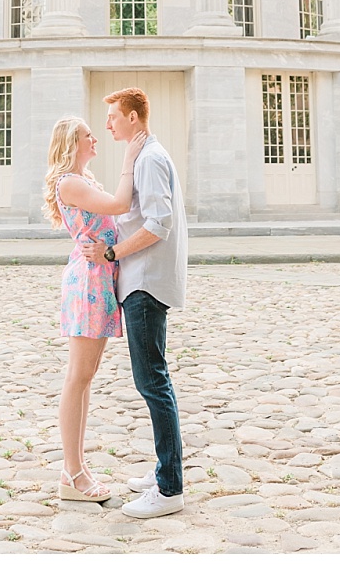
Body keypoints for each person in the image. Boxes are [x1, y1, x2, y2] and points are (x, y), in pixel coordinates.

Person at [80, 86, 189, 518]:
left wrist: (111, 254)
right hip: (141, 282)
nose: (107, 125)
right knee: (153, 382)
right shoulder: (143, 157)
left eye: (113, 117)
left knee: (153, 383)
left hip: (145, 284)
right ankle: (166, 470)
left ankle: (168, 489)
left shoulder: (150, 159)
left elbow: (158, 225)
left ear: (133, 118)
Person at [43, 116, 140, 502]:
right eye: (88, 135)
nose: (95, 138)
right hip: (87, 282)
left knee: (85, 376)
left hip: (98, 278)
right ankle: (72, 472)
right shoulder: (70, 182)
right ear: (73, 142)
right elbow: (119, 203)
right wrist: (130, 157)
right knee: (78, 377)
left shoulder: (83, 180)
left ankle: (76, 469)